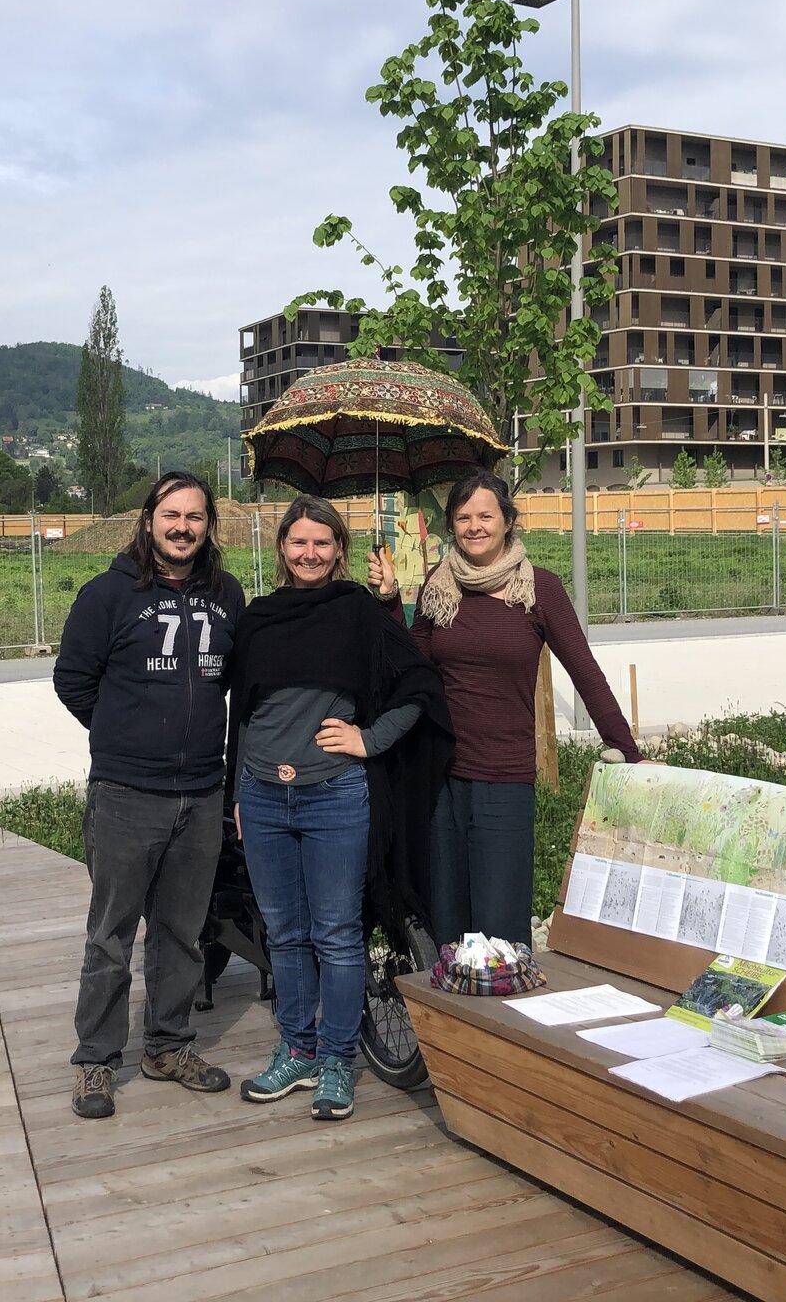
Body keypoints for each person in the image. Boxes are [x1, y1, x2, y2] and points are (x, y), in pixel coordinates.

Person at [224, 495, 450, 1122]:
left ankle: (336, 1062)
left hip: (334, 796)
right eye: (298, 542)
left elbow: (415, 683)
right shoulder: (259, 617)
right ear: (281, 551)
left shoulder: (357, 611)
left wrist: (368, 740)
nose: (310, 553)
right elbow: (239, 714)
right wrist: (237, 793)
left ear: (340, 552)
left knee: (337, 935)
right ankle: (296, 1049)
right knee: (286, 934)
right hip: (265, 796)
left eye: (322, 543)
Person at [370, 471, 638, 949]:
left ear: (508, 521)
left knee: (499, 927)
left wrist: (629, 752)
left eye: (485, 515)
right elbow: (412, 665)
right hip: (442, 776)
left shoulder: (539, 589)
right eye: (463, 517)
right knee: (448, 922)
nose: (474, 526)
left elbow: (585, 672)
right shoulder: (439, 583)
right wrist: (391, 601)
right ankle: (454, 1020)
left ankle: (501, 1017)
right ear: (452, 526)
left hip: (504, 779)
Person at [53, 472, 246, 1120]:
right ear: (148, 520)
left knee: (182, 933)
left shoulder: (227, 596)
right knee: (110, 936)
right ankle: (95, 1063)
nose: (183, 526)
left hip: (201, 795)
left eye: (195, 516)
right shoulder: (107, 595)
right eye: (172, 514)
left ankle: (167, 1046)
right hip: (128, 795)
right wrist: (121, 736)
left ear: (207, 526)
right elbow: (74, 679)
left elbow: (241, 686)